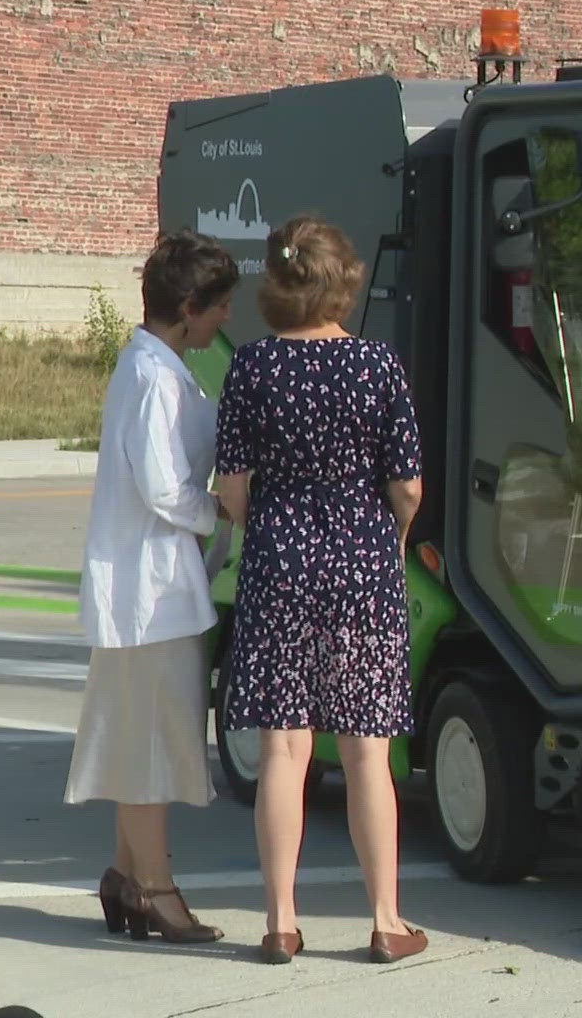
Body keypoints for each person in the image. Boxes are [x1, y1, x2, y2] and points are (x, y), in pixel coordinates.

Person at [213, 214, 427, 966]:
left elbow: (231, 486)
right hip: (362, 561)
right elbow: (406, 484)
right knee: (367, 751)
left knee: (283, 748)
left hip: (279, 558)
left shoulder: (253, 366)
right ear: (344, 281)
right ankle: (385, 920)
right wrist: (389, 538)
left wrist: (261, 524)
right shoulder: (377, 366)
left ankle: (279, 920)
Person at [66, 229, 239, 944]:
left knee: (142, 737)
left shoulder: (155, 366)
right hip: (148, 590)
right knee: (153, 749)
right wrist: (225, 511)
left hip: (150, 586)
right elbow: (166, 488)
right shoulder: (151, 376)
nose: (227, 319)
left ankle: (126, 876)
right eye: (221, 307)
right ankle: (155, 890)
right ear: (190, 305)